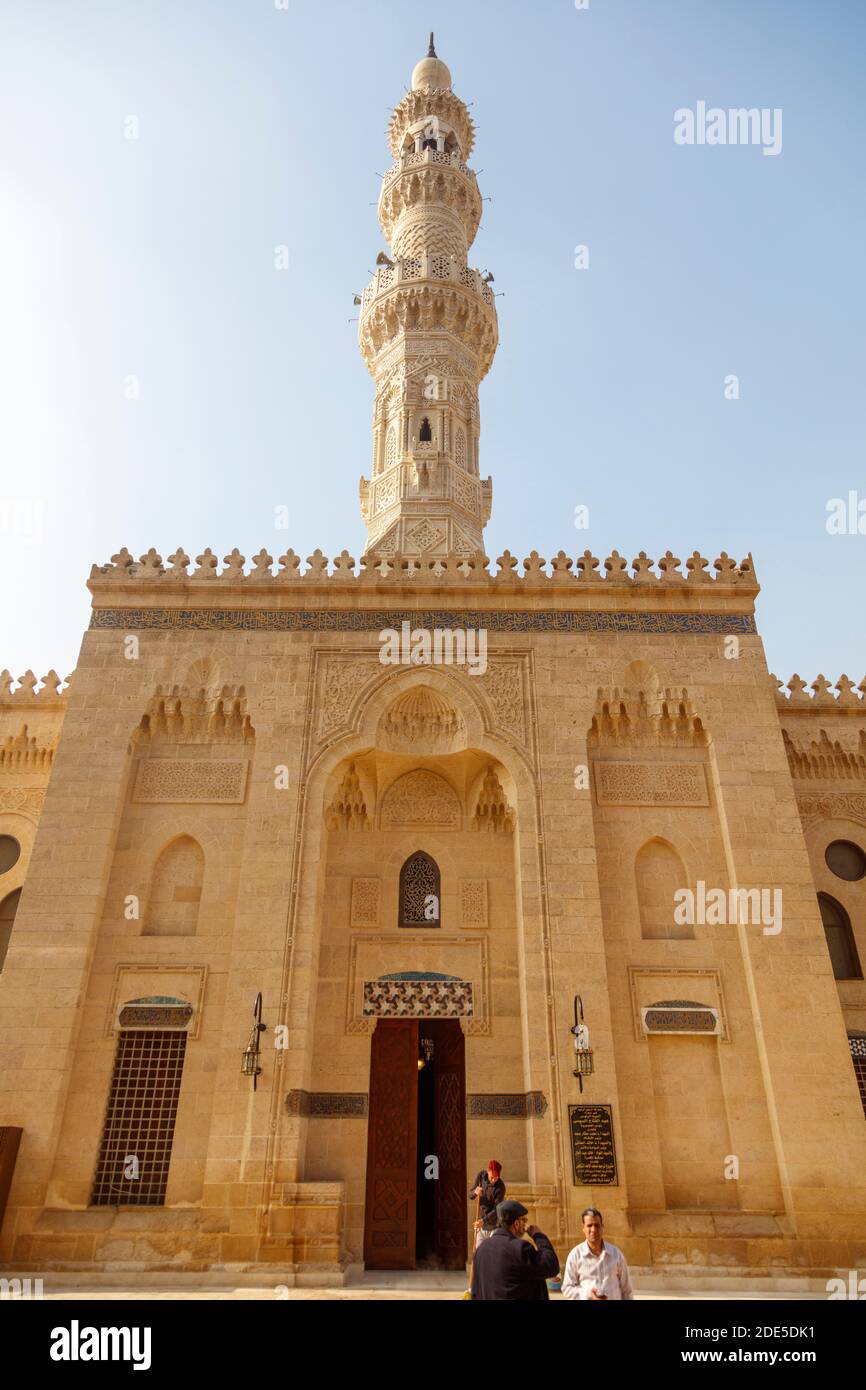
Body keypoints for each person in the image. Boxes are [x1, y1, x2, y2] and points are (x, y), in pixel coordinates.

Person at [472, 1199, 560, 1300]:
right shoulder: (520, 1248)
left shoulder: (481, 1250)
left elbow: (475, 1292)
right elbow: (551, 1266)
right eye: (524, 1220)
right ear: (516, 1223)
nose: (525, 1224)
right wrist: (538, 1236)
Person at [561, 1207, 634, 1300]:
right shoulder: (575, 1255)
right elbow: (567, 1288)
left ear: (602, 1227)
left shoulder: (616, 1254)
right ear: (583, 1228)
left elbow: (626, 1289)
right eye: (589, 1225)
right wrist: (588, 1293)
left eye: (597, 1225)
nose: (593, 1230)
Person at [469, 1159, 505, 1249]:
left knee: (492, 1254)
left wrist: (483, 1221)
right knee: (479, 1253)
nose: (493, 1180)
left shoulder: (500, 1187)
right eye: (491, 1177)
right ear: (488, 1172)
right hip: (481, 1226)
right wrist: (475, 1192)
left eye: (496, 1178)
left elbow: (496, 1210)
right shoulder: (481, 1176)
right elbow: (470, 1195)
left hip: (494, 1226)